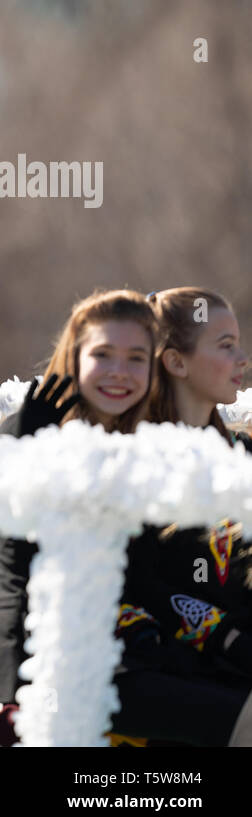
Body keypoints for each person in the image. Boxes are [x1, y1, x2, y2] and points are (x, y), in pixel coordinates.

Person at [0, 289, 156, 713]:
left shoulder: (158, 443)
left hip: (120, 655)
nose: (120, 372)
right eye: (103, 355)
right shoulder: (34, 424)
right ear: (76, 357)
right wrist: (18, 447)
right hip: (13, 656)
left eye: (136, 358)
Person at [112, 286, 252, 745]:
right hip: (172, 665)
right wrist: (224, 636)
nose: (242, 359)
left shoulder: (243, 454)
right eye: (225, 346)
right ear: (176, 362)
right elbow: (136, 588)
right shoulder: (130, 461)